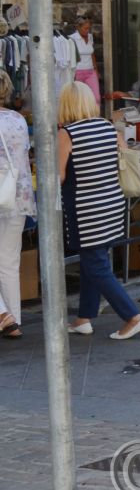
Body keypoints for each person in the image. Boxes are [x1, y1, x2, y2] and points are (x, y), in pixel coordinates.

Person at [58, 83, 140, 340]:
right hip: (111, 204)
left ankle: (133, 316)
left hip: (86, 208)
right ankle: (84, 318)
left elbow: (59, 176)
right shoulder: (108, 127)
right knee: (93, 261)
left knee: (96, 266)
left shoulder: (68, 134)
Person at [0, 75, 31, 339]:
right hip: (18, 196)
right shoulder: (18, 120)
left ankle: (4, 315)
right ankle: (13, 319)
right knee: (9, 261)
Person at [71, 14, 99, 103]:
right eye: (85, 28)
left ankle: (95, 115)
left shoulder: (90, 37)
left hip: (90, 71)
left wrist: (96, 69)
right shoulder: (72, 38)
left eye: (89, 28)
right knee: (79, 99)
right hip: (78, 72)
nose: (87, 31)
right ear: (78, 27)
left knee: (96, 97)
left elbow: (92, 53)